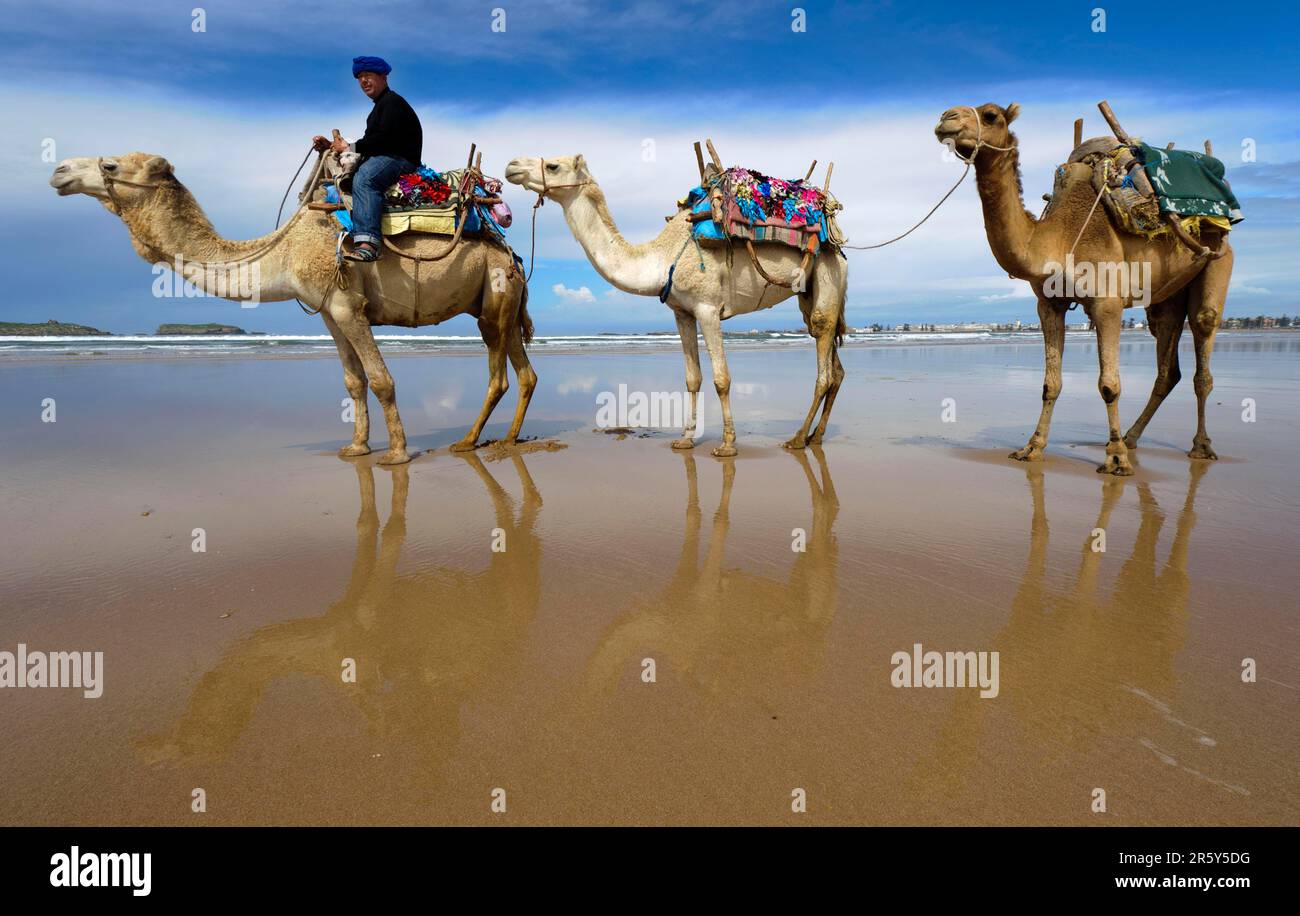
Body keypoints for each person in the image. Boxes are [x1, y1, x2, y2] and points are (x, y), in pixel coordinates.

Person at [313, 56, 423, 262]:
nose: (364, 81)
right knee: (347, 176)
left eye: (368, 75)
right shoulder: (379, 108)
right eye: (360, 77)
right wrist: (332, 146)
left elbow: (382, 140)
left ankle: (368, 244)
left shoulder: (392, 103)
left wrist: (349, 147)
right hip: (387, 155)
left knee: (364, 178)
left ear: (383, 77)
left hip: (400, 158)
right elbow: (372, 142)